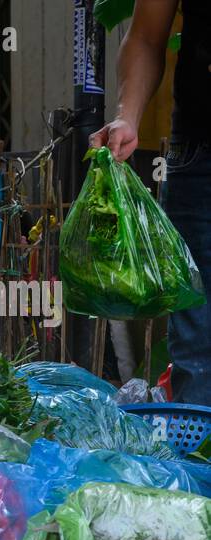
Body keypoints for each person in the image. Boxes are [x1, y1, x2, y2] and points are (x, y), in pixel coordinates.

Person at [91, 0, 211, 403]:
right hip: (202, 157)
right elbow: (145, 36)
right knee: (199, 353)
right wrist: (127, 115)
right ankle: (197, 464)